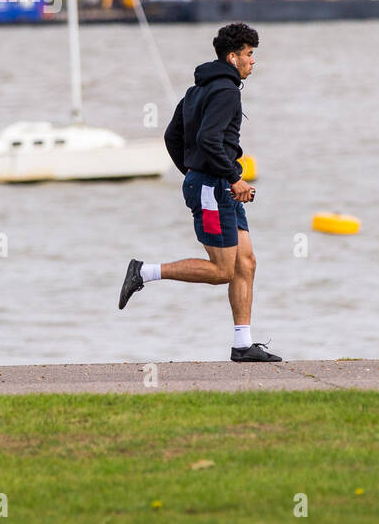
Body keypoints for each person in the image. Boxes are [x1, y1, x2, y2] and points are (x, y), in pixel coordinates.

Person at [117, 22, 279, 362]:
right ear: (233, 57)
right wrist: (229, 177)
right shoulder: (225, 91)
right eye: (249, 55)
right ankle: (144, 271)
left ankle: (242, 344)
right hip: (215, 187)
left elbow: (172, 138)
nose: (254, 62)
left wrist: (192, 171)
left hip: (213, 183)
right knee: (222, 271)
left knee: (246, 263)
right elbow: (208, 139)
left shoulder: (197, 90)